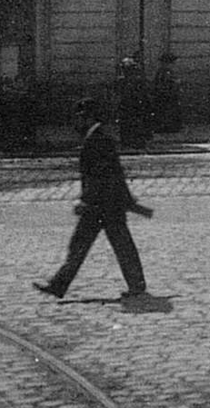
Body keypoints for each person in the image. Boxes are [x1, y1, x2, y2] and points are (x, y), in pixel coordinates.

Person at [34, 98, 150, 299]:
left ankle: (59, 285)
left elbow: (100, 176)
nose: (75, 122)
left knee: (84, 245)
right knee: (117, 245)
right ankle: (136, 285)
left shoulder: (95, 141)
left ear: (87, 117)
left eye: (79, 117)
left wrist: (86, 201)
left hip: (100, 205)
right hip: (108, 204)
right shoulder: (98, 138)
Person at [113, 57, 153, 150]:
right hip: (130, 106)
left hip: (133, 106)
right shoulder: (124, 81)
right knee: (130, 125)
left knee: (133, 125)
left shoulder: (132, 80)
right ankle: (131, 142)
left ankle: (133, 142)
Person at [151, 52, 182, 134]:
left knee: (166, 112)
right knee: (166, 112)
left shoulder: (163, 71)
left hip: (165, 95)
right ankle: (167, 127)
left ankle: (167, 126)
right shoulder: (166, 72)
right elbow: (166, 83)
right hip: (166, 95)